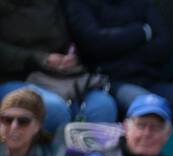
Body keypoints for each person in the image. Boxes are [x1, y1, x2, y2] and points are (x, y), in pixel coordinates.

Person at [64, 0, 173, 127]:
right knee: (149, 109)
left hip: (150, 80)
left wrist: (117, 48)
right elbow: (94, 43)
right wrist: (142, 32)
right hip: (107, 83)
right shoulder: (80, 3)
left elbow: (164, 44)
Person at [0, 0, 117, 132]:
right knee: (55, 110)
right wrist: (39, 59)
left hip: (63, 78)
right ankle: (55, 153)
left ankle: (91, 153)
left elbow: (86, 36)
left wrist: (74, 55)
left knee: (103, 106)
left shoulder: (59, 4)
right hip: (17, 78)